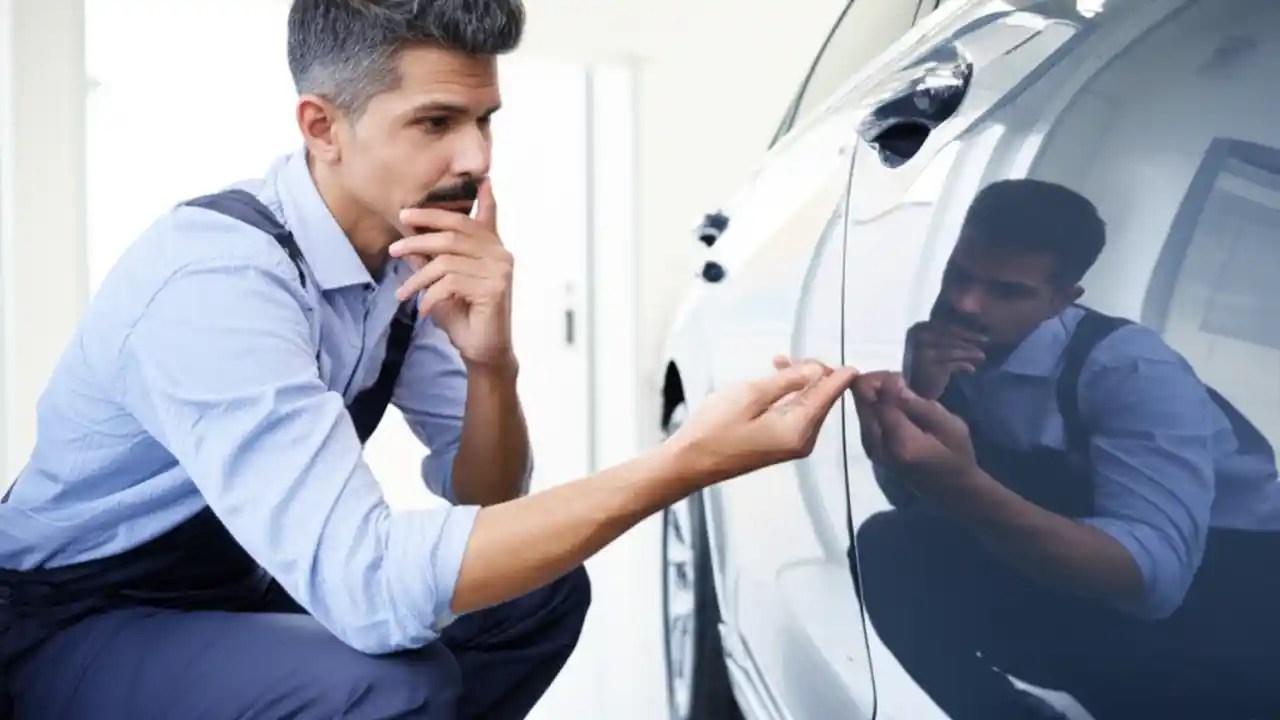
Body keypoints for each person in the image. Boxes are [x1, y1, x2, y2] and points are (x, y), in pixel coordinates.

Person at [0, 1, 859, 717]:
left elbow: (485, 498)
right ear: (322, 126)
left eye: (484, 120)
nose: (477, 158)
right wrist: (681, 465)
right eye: (436, 123)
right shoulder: (217, 280)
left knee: (538, 596)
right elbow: (367, 587)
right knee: (389, 683)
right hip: (76, 622)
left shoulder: (404, 258)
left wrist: (492, 363)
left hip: (244, 587)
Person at [851, 179, 1280, 719]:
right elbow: (913, 504)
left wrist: (962, 487)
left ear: (1062, 299)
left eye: (1007, 290)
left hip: (1234, 593)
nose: (966, 303)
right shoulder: (950, 345)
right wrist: (918, 399)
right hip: (1097, 573)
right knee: (889, 551)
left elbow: (1153, 582)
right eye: (959, 275)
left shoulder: (1130, 369)